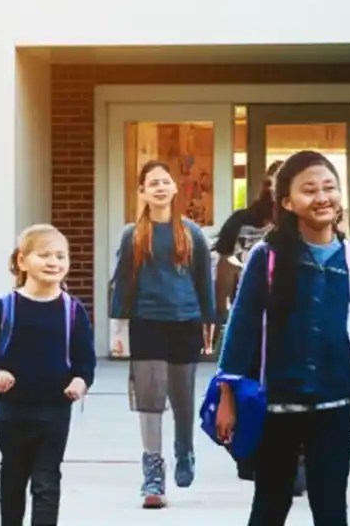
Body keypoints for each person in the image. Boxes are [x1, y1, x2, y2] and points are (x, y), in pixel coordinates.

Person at [217, 150, 350, 526]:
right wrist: (227, 395)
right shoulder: (268, 257)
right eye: (309, 190)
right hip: (277, 407)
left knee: (331, 509)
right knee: (269, 507)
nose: (322, 197)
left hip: (335, 406)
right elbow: (241, 325)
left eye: (329, 187)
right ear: (287, 202)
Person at [0, 224, 96, 526]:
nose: (54, 262)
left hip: (54, 409)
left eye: (60, 256)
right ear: (22, 261)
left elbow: (85, 358)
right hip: (11, 410)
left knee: (47, 481)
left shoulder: (72, 310)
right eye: (44, 255)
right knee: (14, 477)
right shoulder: (6, 307)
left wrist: (81, 380)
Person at [110, 160, 218, 509]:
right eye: (152, 183)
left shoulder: (191, 233)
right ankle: (153, 472)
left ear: (175, 189)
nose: (159, 187)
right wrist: (118, 326)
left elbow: (204, 279)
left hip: (185, 321)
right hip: (146, 322)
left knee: (182, 397)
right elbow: (122, 281)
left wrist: (209, 317)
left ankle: (184, 450)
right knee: (150, 397)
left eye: (165, 182)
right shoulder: (133, 234)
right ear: (142, 191)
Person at [215, 160, 285, 322]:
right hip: (245, 309)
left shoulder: (299, 225)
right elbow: (225, 266)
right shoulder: (239, 222)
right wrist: (221, 312)